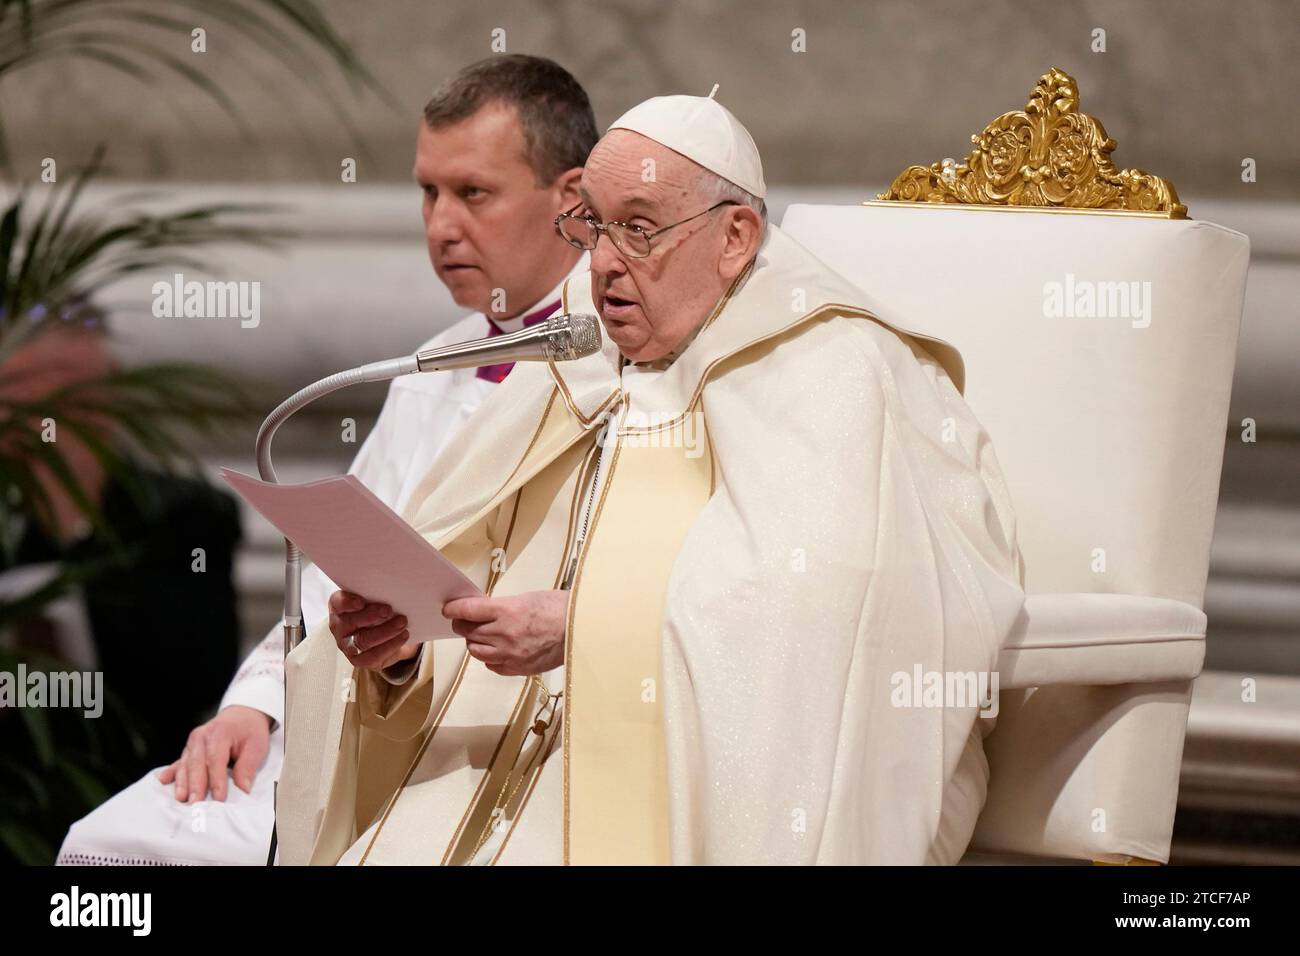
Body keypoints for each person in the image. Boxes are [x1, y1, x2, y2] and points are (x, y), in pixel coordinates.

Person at [279, 92, 1027, 866]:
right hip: (492, 774)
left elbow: (834, 615)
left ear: (735, 237)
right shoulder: (577, 357)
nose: (602, 262)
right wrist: (405, 652)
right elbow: (478, 571)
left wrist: (586, 627)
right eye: (592, 225)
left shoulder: (829, 369)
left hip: (671, 797)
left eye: (638, 229)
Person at [55, 54, 597, 866]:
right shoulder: (435, 364)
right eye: (427, 192)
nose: (441, 225)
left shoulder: (618, 367)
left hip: (515, 726)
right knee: (116, 850)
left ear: (572, 199)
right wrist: (254, 708)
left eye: (473, 193)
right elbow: (332, 573)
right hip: (369, 700)